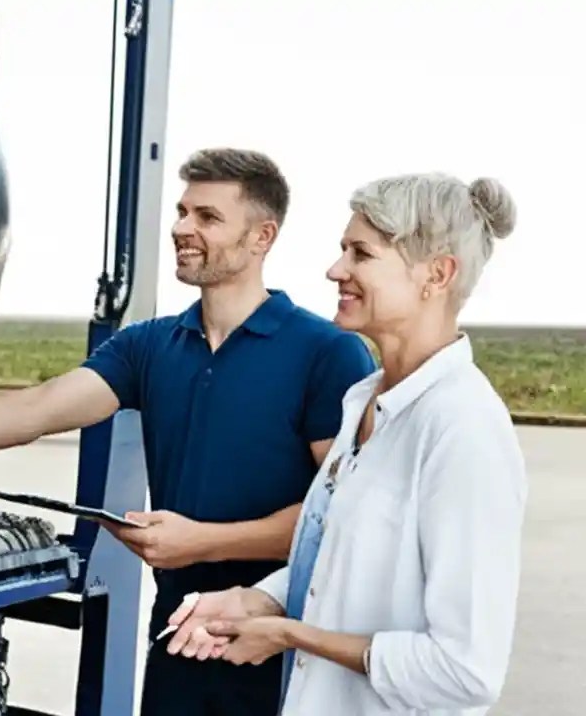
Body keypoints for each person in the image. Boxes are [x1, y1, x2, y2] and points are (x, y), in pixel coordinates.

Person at [0, 147, 377, 714]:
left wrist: (202, 541)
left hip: (280, 649)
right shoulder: (150, 345)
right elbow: (39, 408)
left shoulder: (327, 354)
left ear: (262, 237)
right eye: (182, 211)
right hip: (179, 635)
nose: (182, 228)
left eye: (207, 217)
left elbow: (340, 518)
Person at [163, 172, 528, 715]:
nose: (336, 270)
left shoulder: (463, 428)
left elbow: (465, 672)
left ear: (437, 274)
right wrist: (257, 600)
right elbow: (339, 562)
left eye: (361, 254)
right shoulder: (363, 401)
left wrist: (291, 634)